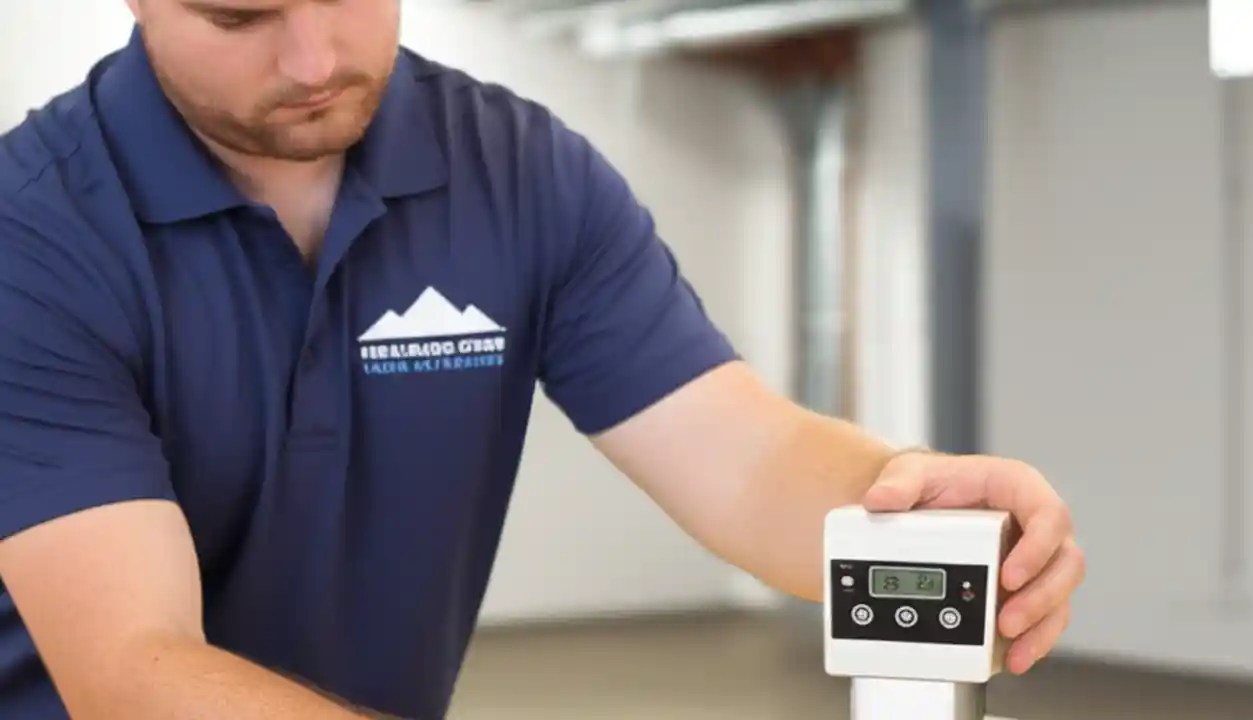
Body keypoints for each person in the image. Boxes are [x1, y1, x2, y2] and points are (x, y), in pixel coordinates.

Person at [0, 1, 1085, 718]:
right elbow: (134, 673)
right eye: (240, 10)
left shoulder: (518, 174)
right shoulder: (32, 234)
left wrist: (918, 511)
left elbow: (745, 466)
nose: (314, 59)